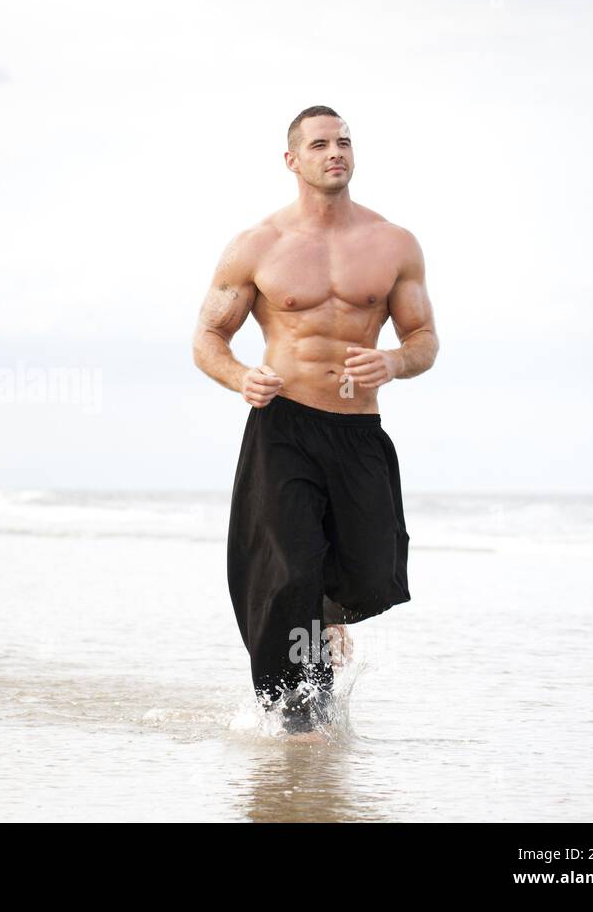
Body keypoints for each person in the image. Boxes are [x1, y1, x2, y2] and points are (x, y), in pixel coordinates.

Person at [191, 105, 439, 737]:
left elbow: (423, 339)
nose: (337, 152)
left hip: (358, 432)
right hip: (286, 427)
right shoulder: (257, 246)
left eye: (345, 142)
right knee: (288, 570)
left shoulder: (393, 243)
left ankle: (325, 623)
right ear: (292, 159)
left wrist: (393, 360)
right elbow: (207, 338)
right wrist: (240, 376)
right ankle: (298, 717)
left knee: (363, 573)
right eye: (321, 143)